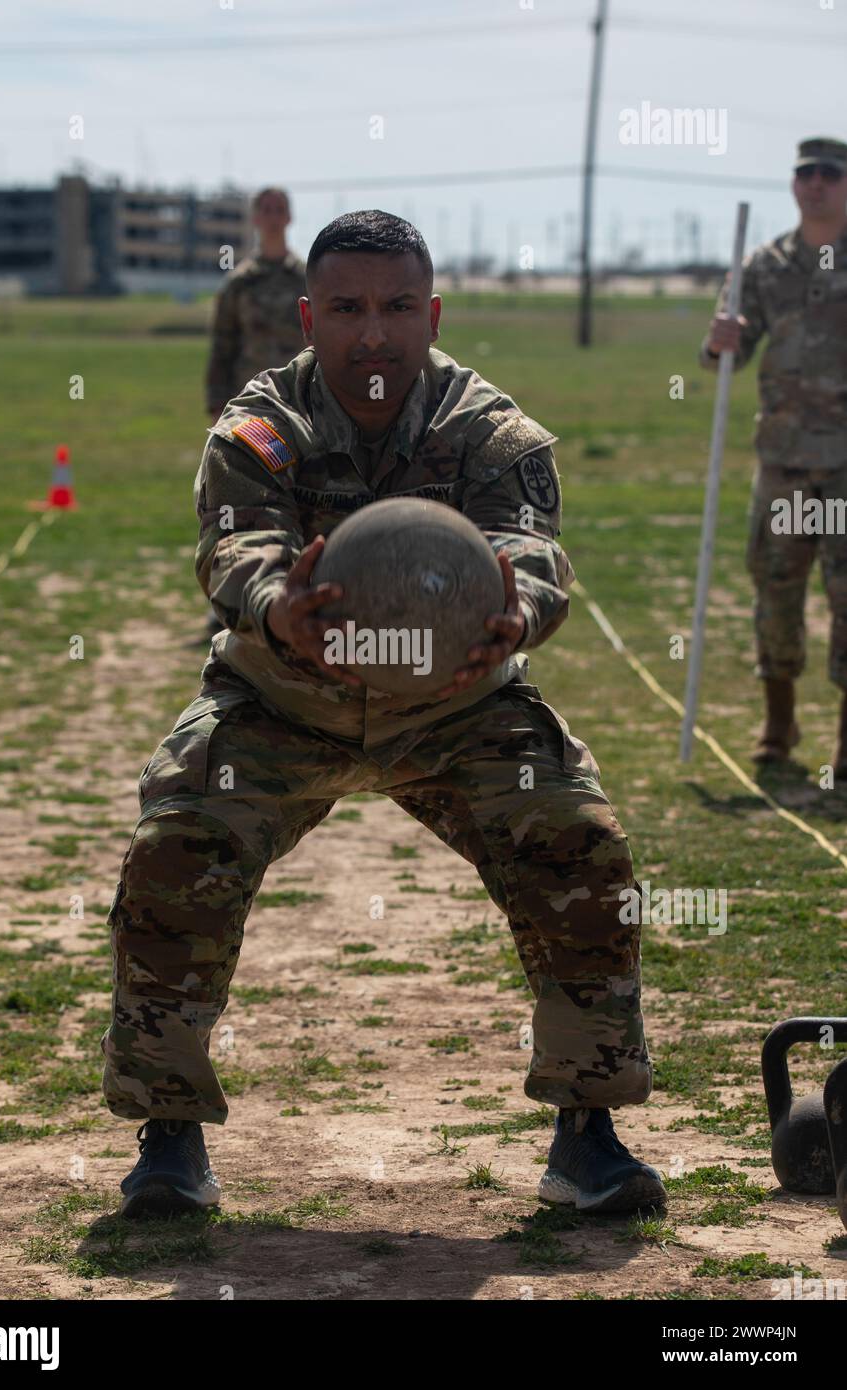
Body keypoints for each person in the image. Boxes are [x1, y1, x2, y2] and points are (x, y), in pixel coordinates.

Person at [104, 211, 664, 1220]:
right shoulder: (262, 425)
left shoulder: (489, 427)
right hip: (288, 696)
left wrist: (514, 615)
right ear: (309, 317)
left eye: (399, 308)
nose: (375, 334)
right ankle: (169, 1137)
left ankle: (590, 1133)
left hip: (456, 705)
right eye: (351, 310)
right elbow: (232, 550)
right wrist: (284, 607)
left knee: (580, 846)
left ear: (433, 312)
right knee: (177, 848)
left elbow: (533, 551)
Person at [701, 137, 847, 773]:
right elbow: (719, 359)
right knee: (776, 593)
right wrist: (719, 341)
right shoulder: (762, 267)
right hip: (784, 467)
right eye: (804, 174)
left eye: (829, 174)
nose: (814, 184)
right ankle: (778, 726)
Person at [201, 186, 307, 638]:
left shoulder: (307, 277)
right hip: (250, 412)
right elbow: (223, 346)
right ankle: (231, 596)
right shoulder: (239, 283)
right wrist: (217, 409)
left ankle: (299, 595)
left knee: (303, 500)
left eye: (279, 207)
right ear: (254, 219)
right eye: (264, 208)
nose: (272, 214)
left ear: (289, 216)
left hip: (302, 408)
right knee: (236, 506)